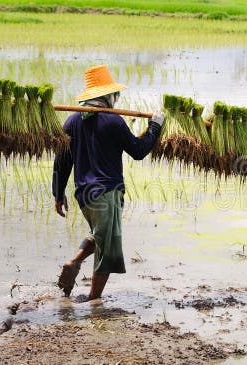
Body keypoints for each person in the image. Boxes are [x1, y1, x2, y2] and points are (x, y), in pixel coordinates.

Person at [52, 65, 164, 301]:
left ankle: (75, 263)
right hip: (107, 192)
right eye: (116, 95)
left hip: (84, 195)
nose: (117, 99)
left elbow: (62, 162)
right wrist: (155, 126)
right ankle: (93, 298)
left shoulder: (71, 122)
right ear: (107, 97)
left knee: (100, 235)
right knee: (108, 249)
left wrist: (58, 194)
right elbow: (139, 150)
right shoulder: (113, 122)